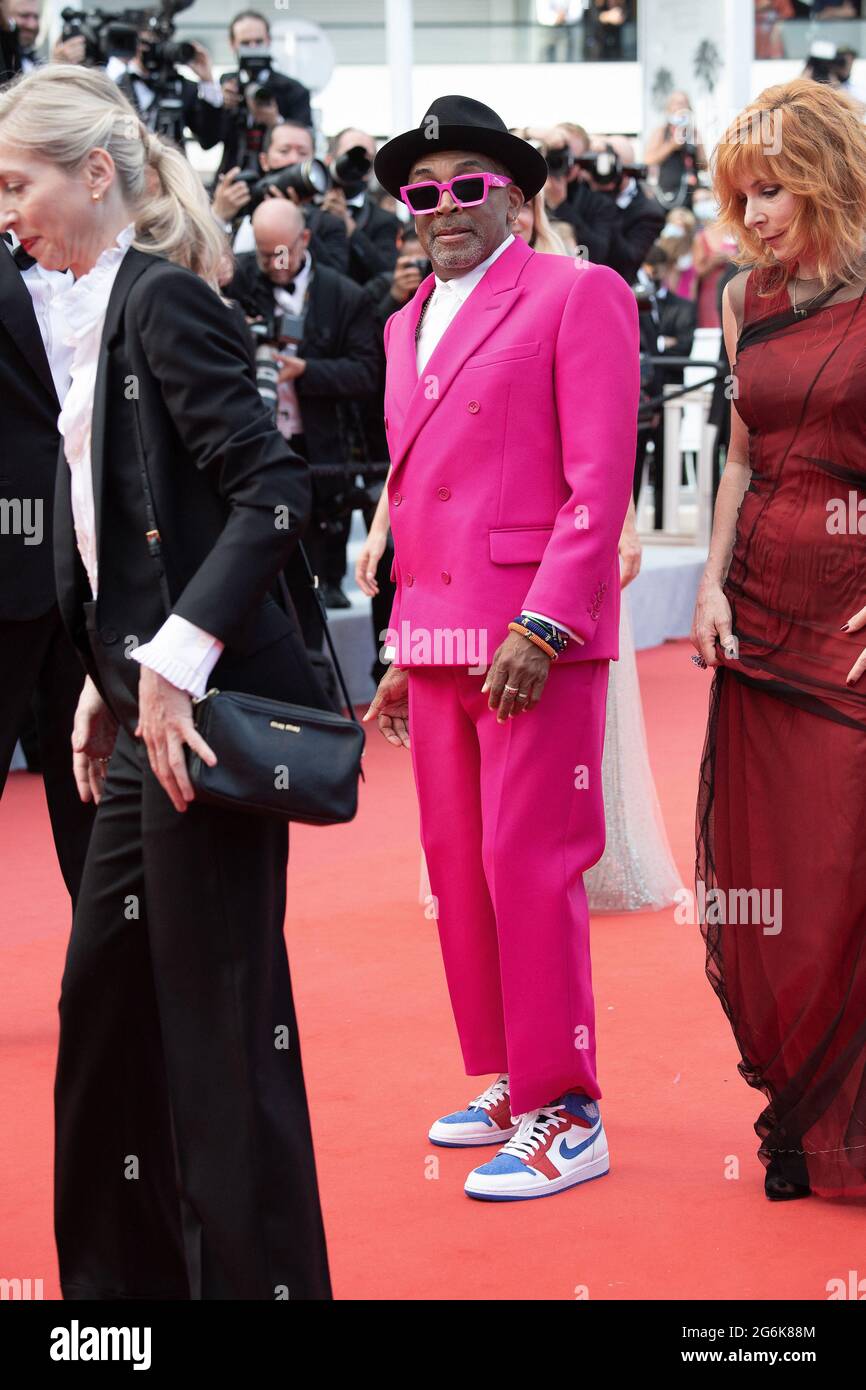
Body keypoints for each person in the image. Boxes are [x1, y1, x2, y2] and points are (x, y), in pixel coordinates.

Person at [0, 63, 332, 1297]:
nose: (6, 207)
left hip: (199, 723)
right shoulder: (91, 312)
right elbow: (125, 518)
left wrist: (174, 656)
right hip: (140, 715)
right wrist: (106, 667)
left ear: (95, 176)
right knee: (106, 1019)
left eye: (18, 180)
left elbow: (271, 494)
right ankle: (117, 1301)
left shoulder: (165, 306)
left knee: (217, 1034)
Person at [364, 95, 639, 1202]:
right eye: (422, 191)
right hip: (437, 642)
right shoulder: (401, 324)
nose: (443, 207)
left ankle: (566, 1109)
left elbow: (597, 481)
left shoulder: (579, 295)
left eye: (467, 184)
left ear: (514, 196)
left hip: (534, 639)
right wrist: (401, 640)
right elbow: (419, 500)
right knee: (459, 875)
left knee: (531, 870)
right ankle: (511, 1075)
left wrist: (543, 621)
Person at [691, 77, 866, 1202]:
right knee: (769, 876)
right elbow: (742, 455)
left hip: (849, 615)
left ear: (829, 180)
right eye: (740, 194)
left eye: (771, 190)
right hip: (753, 606)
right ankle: (800, 1110)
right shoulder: (739, 300)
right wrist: (705, 583)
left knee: (842, 865)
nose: (752, 215)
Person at [0, 197, 95, 906]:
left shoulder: (125, 264)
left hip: (103, 569)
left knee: (97, 792)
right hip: (7, 563)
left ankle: (112, 993)